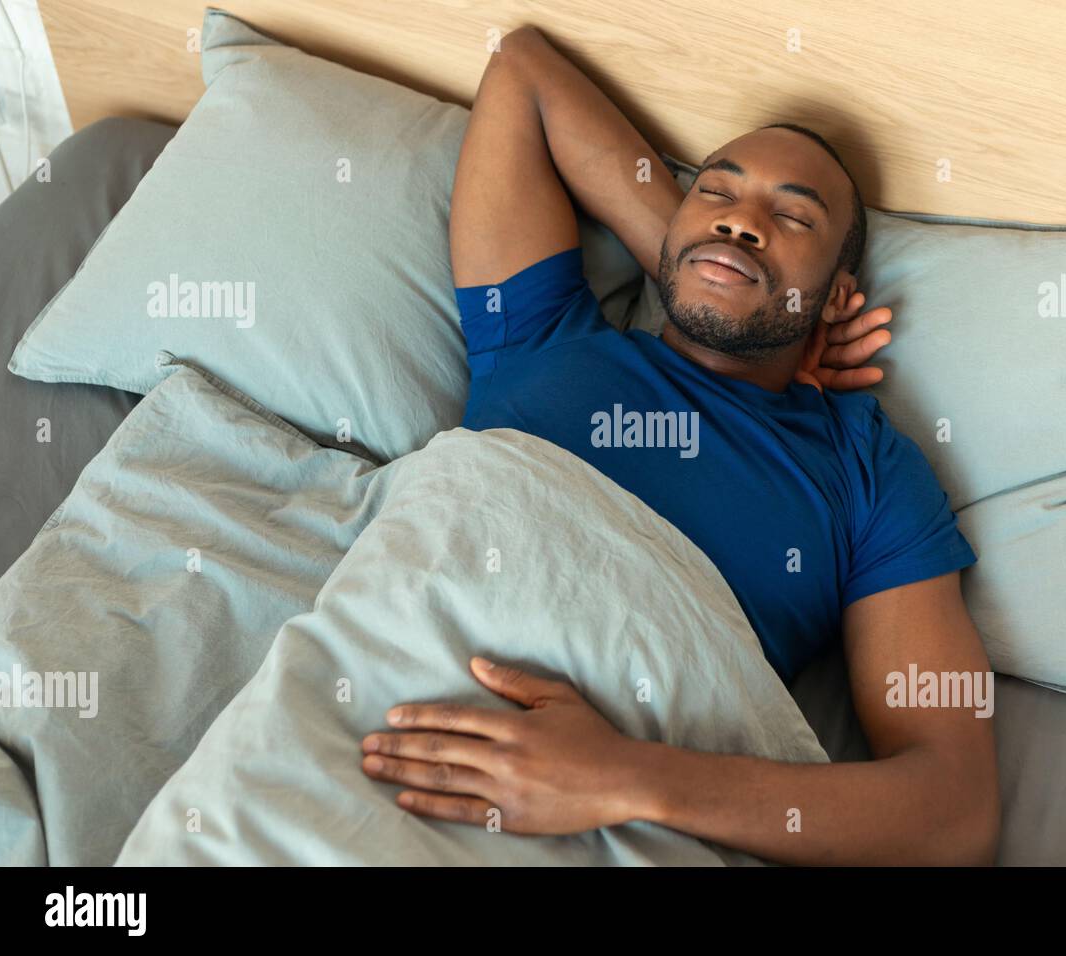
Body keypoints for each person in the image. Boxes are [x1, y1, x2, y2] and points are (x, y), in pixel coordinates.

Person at [360, 25, 1000, 866]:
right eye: (718, 193)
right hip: (380, 699)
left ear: (840, 293)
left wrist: (626, 778)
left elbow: (955, 814)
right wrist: (702, 257)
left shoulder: (870, 472)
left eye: (792, 216)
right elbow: (521, 66)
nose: (741, 222)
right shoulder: (542, 334)